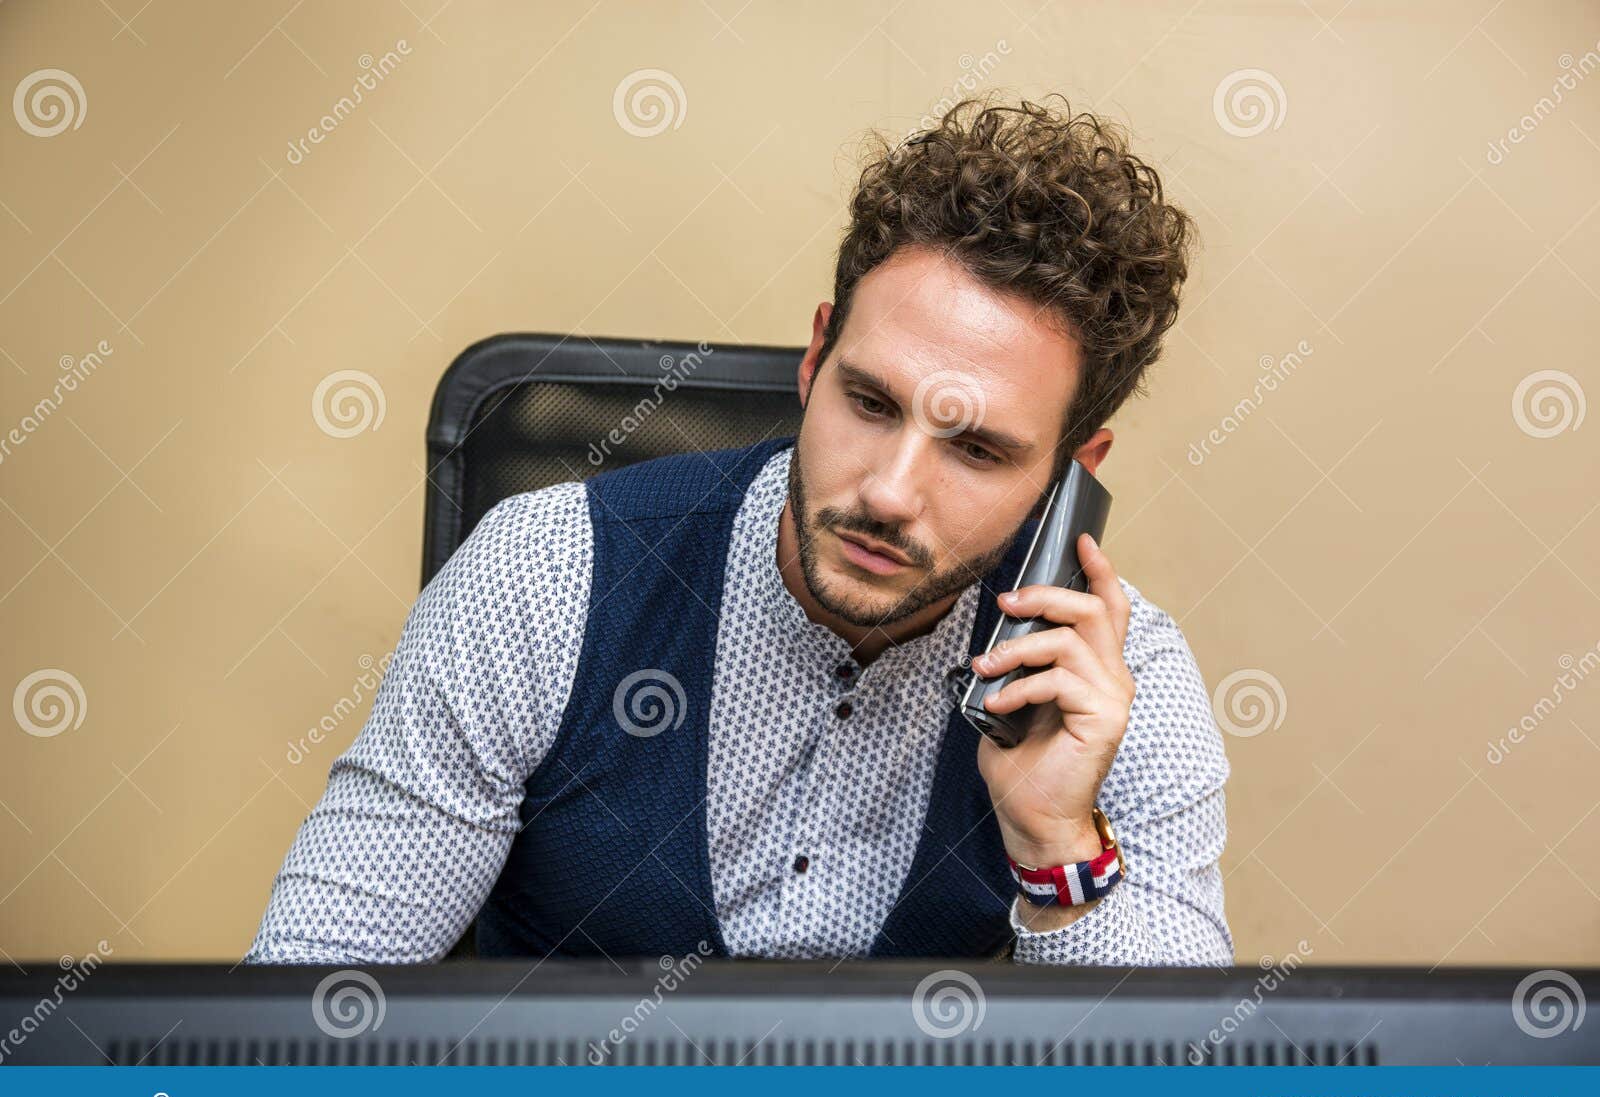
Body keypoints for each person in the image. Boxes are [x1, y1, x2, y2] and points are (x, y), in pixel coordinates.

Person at [244, 94, 1232, 967]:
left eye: (975, 450)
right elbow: (314, 1000)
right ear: (815, 359)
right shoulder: (542, 574)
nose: (889, 492)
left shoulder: (1111, 682)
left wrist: (1058, 840)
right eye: (871, 403)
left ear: (1072, 470)